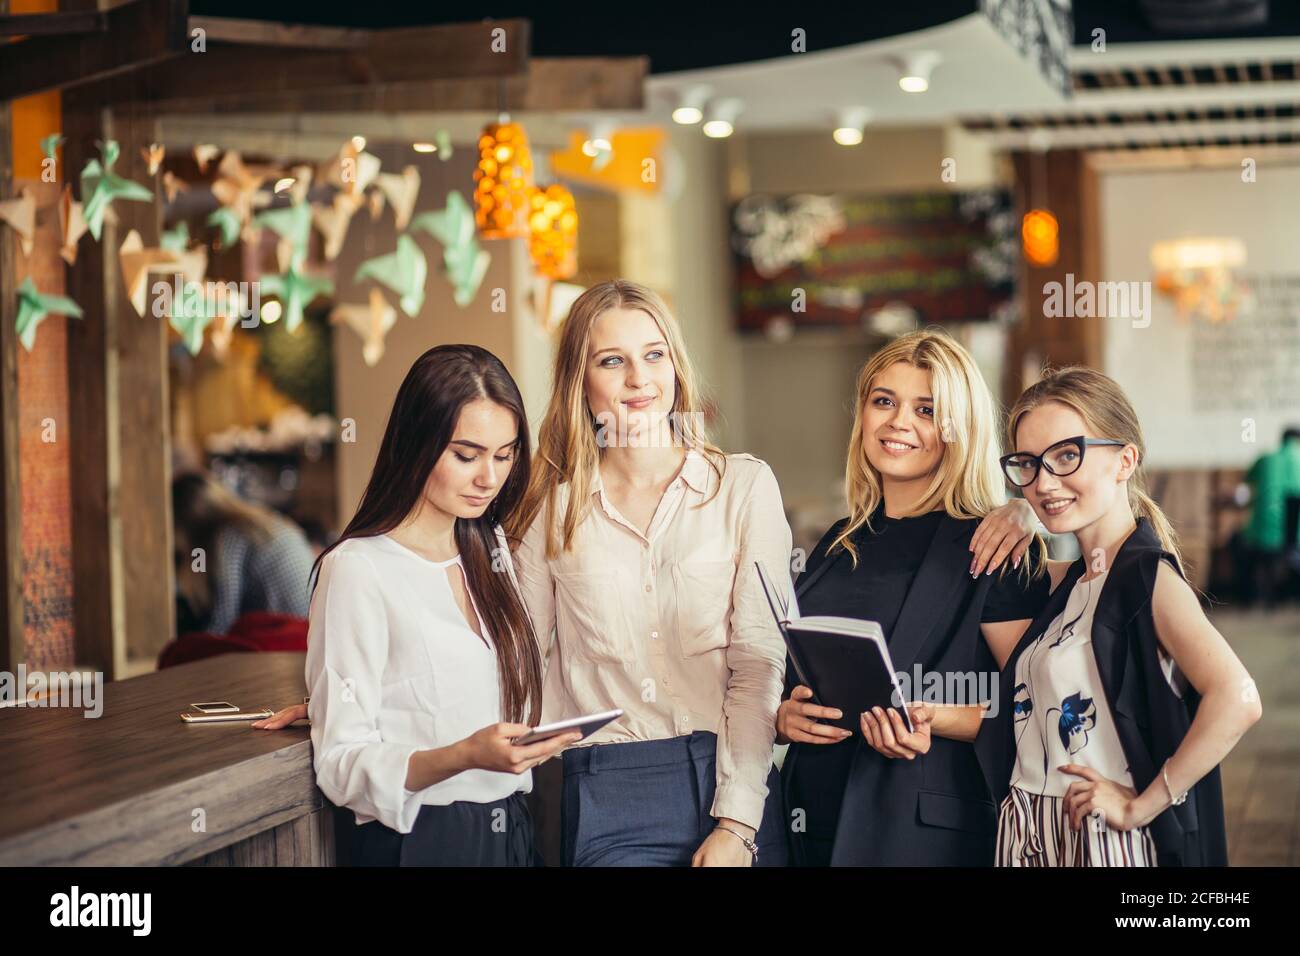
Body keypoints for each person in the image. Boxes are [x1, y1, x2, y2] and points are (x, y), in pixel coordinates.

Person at [509, 279, 792, 867]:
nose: (639, 378)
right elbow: (515, 664)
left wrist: (737, 825)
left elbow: (759, 660)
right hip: (606, 787)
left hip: (734, 779)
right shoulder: (551, 510)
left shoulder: (742, 487)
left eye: (654, 355)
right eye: (613, 361)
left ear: (675, 367)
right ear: (580, 384)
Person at [265, 345, 577, 866]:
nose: (489, 478)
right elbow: (341, 764)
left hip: (512, 828)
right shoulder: (358, 568)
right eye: (466, 454)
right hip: (424, 840)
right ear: (417, 444)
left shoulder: (489, 547)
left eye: (505, 455)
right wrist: (464, 755)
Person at [776, 329, 1047, 866]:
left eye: (926, 409)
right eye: (885, 401)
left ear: (957, 427)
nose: (899, 422)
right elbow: (797, 673)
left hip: (920, 832)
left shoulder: (996, 546)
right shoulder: (839, 539)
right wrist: (783, 717)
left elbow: (1036, 707)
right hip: (811, 819)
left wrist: (932, 718)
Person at [973, 367, 1260, 866]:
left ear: (1125, 459)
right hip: (1031, 831)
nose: (1045, 482)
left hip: (1103, 837)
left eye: (1066, 456)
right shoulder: (1070, 581)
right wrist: (1019, 513)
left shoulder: (1146, 577)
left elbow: (1239, 698)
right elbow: (991, 587)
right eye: (1029, 465)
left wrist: (1142, 804)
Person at [172, 471, 314, 635]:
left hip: (285, 640)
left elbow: (223, 619)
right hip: (306, 633)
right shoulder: (260, 522)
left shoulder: (229, 536)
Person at [1235, 426, 1300, 606]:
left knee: (1242, 546)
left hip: (1259, 532)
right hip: (1291, 536)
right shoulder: (1298, 459)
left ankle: (1250, 599)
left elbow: (1245, 485)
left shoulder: (1265, 459)